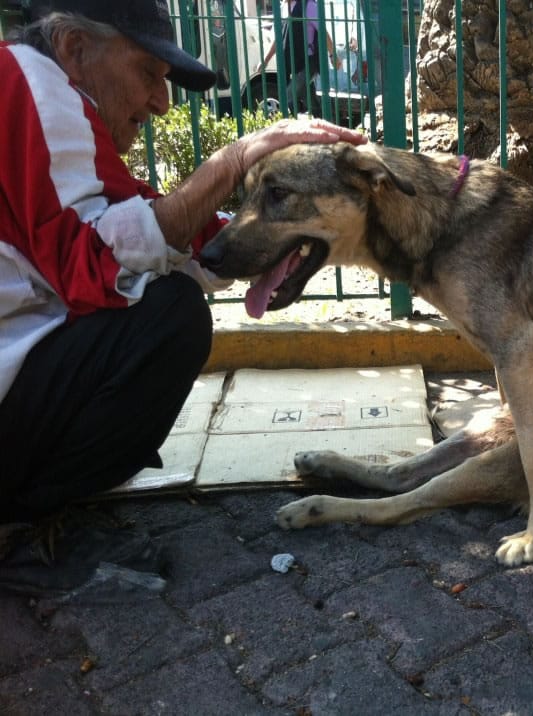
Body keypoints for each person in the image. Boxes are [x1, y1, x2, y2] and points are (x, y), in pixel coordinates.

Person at [0, 0, 364, 592]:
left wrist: (253, 243)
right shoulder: (29, 84)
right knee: (168, 317)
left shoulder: (47, 103)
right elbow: (100, 265)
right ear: (73, 48)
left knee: (160, 302)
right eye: (148, 73)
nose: (161, 103)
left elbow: (140, 230)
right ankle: (20, 532)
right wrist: (233, 159)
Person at [257, 0, 328, 115]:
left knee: (288, 97)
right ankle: (325, 124)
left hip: (308, 62)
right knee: (310, 99)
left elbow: (323, 32)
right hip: (292, 62)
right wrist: (266, 59)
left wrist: (332, 54)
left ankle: (289, 127)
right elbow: (278, 38)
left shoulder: (308, 5)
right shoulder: (283, 8)